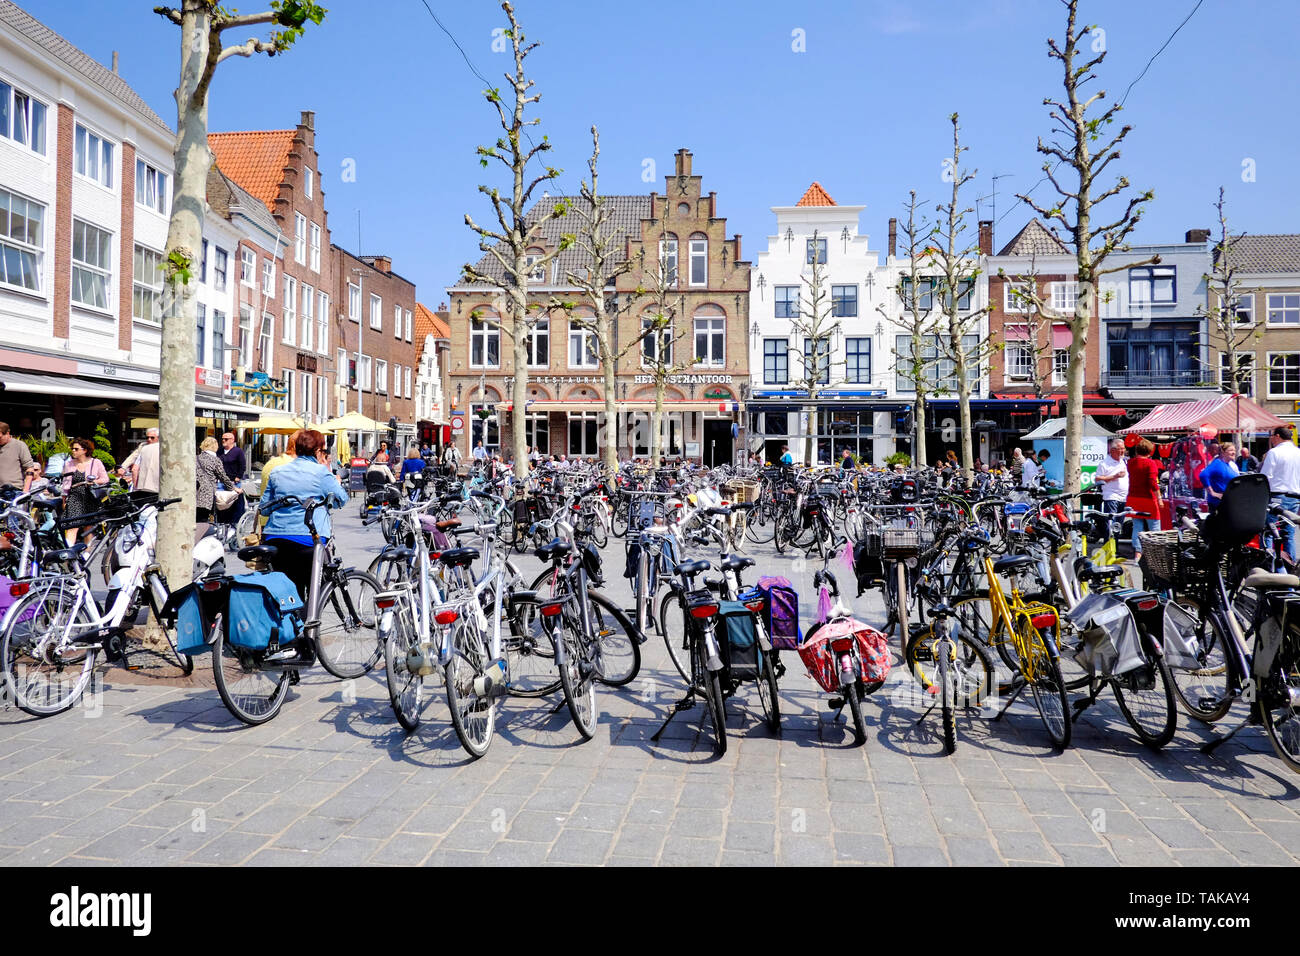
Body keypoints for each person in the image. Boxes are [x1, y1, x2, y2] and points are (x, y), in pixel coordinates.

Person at [259, 429, 349, 662]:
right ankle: (305, 636)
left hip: (275, 539)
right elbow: (341, 499)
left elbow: (265, 508)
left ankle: (286, 635)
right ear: (319, 451)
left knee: (289, 589)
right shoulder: (321, 472)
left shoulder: (278, 472)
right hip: (309, 540)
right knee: (317, 588)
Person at [60, 436, 111, 546]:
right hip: (75, 497)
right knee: (72, 526)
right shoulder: (69, 464)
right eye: (72, 449)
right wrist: (64, 499)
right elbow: (65, 484)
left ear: (85, 450)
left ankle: (86, 553)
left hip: (90, 496)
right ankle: (68, 552)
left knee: (88, 527)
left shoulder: (96, 462)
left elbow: (105, 479)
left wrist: (95, 481)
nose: (73, 451)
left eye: (76, 449)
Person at [1261, 425, 1300, 561]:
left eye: (1272, 436)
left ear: (1277, 436)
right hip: (1295, 497)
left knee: (1269, 532)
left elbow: (1265, 476)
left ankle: (1268, 563)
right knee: (1289, 533)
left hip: (1277, 496)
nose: (1271, 439)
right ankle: (1291, 565)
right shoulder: (1298, 452)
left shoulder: (1274, 452)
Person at [1126, 439, 1163, 561]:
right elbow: (1153, 482)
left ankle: (1138, 554)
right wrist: (1159, 497)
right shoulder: (1150, 463)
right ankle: (1156, 555)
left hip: (1133, 498)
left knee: (1137, 526)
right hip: (1148, 499)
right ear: (1150, 451)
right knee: (1154, 528)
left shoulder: (1130, 463)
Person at [195, 436, 230, 534]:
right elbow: (223, 477)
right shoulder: (215, 460)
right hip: (207, 494)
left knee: (195, 518)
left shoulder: (196, 458)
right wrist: (232, 488)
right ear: (215, 447)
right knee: (203, 519)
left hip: (194, 494)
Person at [1094, 439, 1130, 528]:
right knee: (1111, 525)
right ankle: (1109, 541)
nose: (1122, 451)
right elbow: (1098, 479)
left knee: (1118, 527)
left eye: (1123, 449)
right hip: (1111, 497)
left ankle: (1115, 542)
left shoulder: (1124, 461)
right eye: (1120, 449)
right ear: (1112, 450)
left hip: (1124, 497)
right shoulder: (1104, 463)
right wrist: (1115, 476)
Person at [216, 431, 247, 527]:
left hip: (233, 482)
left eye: (226, 439)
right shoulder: (219, 451)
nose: (223, 441)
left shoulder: (238, 451)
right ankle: (222, 525)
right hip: (220, 483)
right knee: (222, 505)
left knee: (234, 506)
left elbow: (243, 465)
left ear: (232, 440)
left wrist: (238, 477)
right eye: (222, 439)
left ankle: (233, 526)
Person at [1197, 442, 1240, 511]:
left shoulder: (1228, 465)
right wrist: (1212, 492)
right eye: (1231, 450)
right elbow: (1203, 475)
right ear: (1223, 452)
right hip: (1218, 503)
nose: (1234, 452)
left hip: (1228, 502)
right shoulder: (1217, 463)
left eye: (1234, 450)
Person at [0, 421, 34, 489]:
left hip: (13, 490)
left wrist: (26, 490)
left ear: (7, 433)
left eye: (0, 437)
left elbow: (29, 468)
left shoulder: (19, 445)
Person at [127, 428, 161, 494]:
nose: (149, 439)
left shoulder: (144, 449)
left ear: (158, 438)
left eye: (152, 438)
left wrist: (135, 487)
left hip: (143, 487)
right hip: (159, 488)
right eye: (147, 437)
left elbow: (134, 469)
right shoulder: (164, 449)